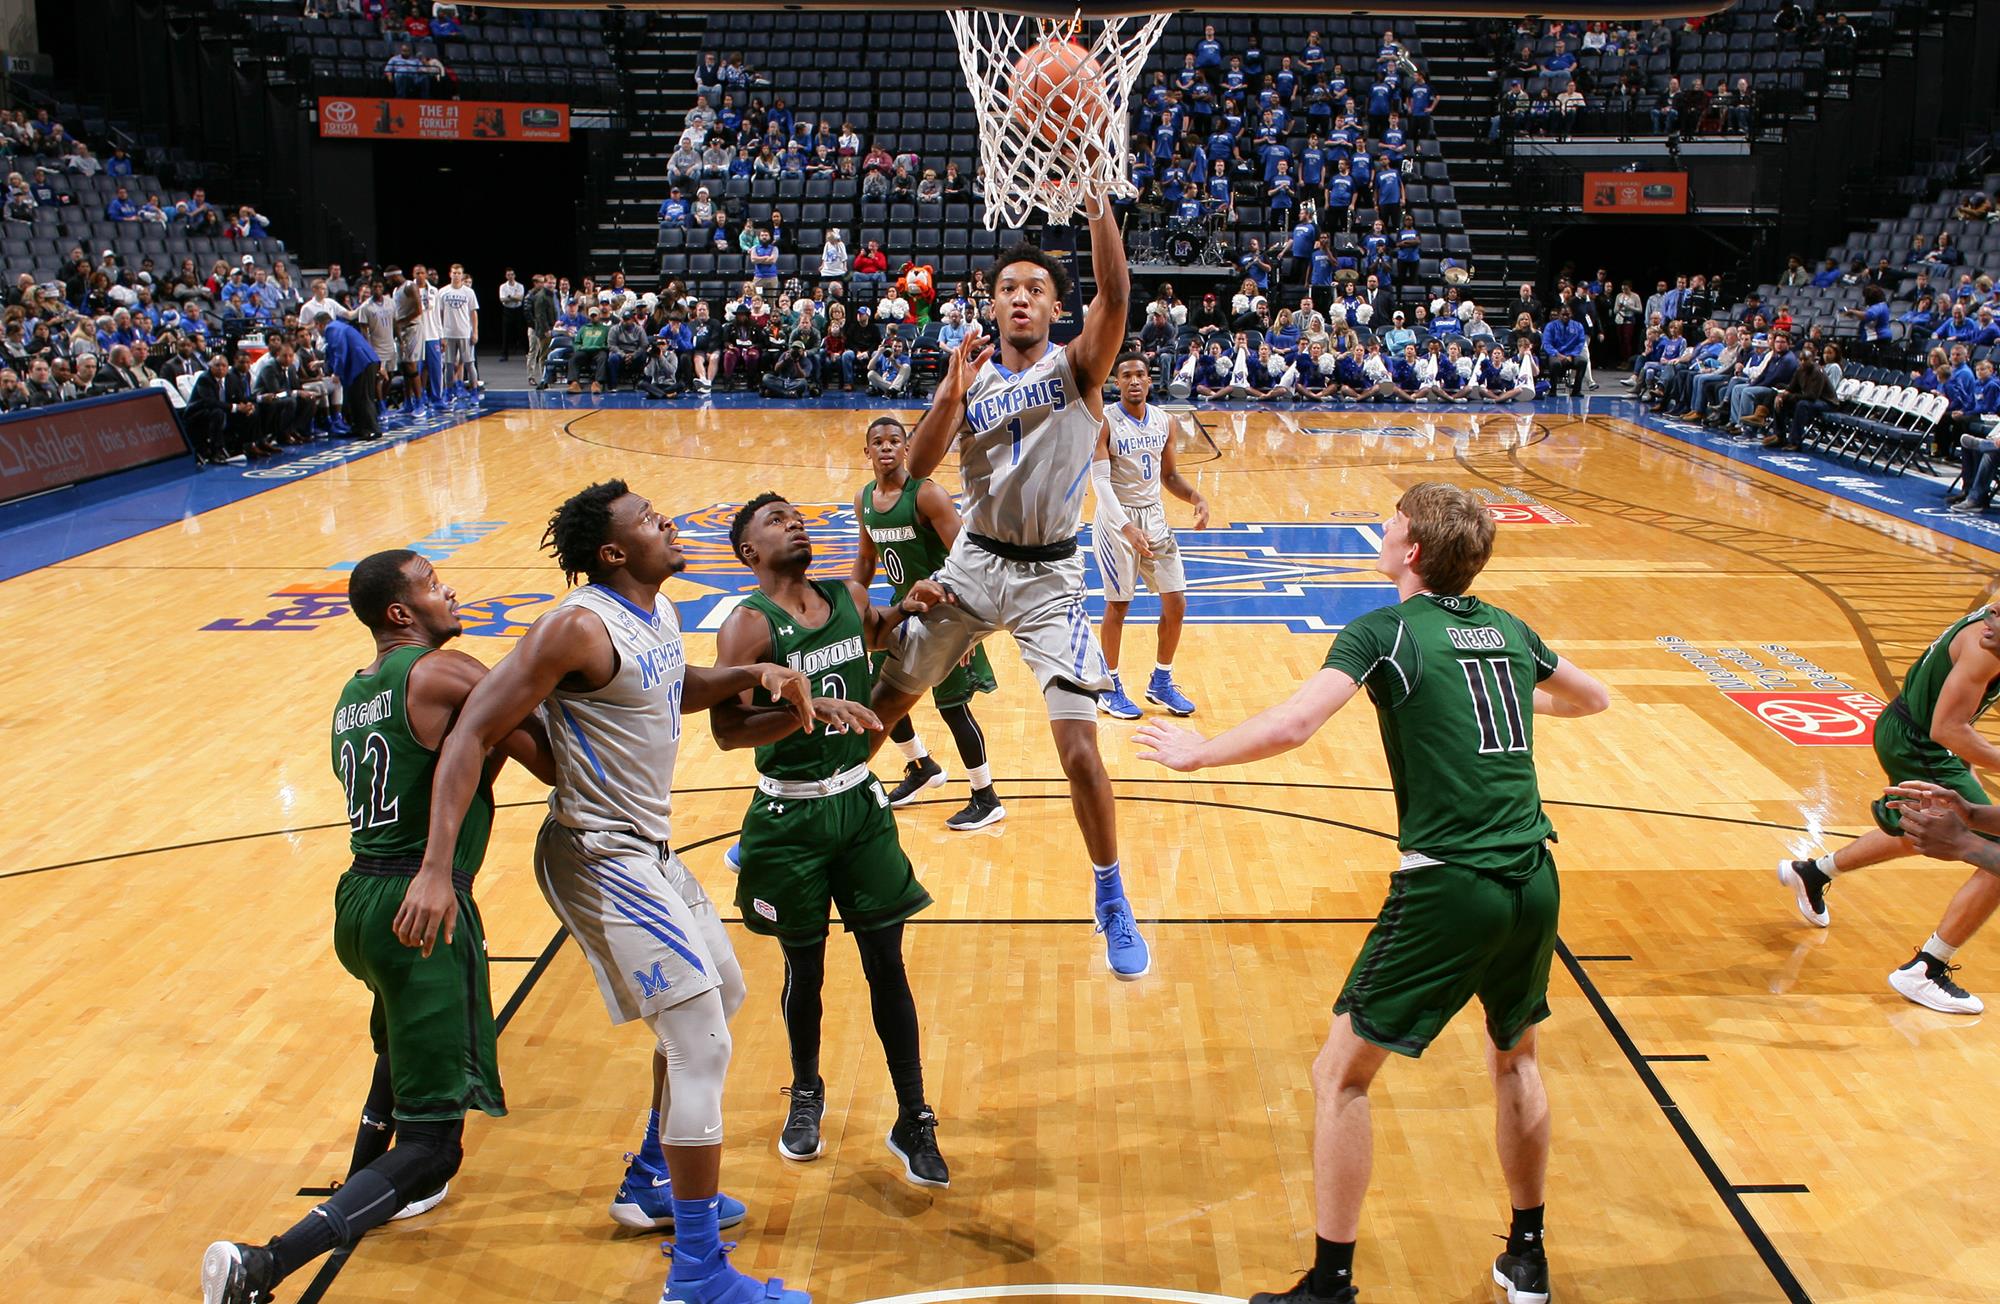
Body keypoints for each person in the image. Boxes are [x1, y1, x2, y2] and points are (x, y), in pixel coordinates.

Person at [1134, 482, 1609, 1304]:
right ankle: (1526, 1255)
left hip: (1450, 883)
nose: (1381, 530)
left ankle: (1330, 1284)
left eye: (1391, 521)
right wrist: (1498, 697)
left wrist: (1198, 752)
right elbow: (1591, 697)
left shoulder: (1383, 632)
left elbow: (1292, 725)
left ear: (1412, 551)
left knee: (1340, 1076)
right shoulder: (1506, 627)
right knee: (1516, 1056)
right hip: (1536, 876)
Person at [408, 481, 816, 1304]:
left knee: (723, 994)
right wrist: (434, 866)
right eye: (647, 518)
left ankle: (652, 1181)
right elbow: (476, 731)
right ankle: (698, 1274)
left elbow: (673, 683)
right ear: (613, 552)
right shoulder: (575, 627)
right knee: (700, 1041)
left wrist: (751, 671)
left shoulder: (657, 616)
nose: (668, 519)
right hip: (596, 854)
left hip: (647, 848)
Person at [198, 551, 555, 1304]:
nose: (449, 588)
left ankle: (362, 1183)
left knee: (396, 1049)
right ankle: (263, 1266)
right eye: (431, 582)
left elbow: (440, 765)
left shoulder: (353, 692)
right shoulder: (444, 671)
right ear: (401, 612)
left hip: (358, 900)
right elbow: (550, 760)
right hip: (420, 903)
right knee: (432, 1147)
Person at [867, 191, 1151, 979]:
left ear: (1058, 308)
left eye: (1036, 288)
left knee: (1079, 752)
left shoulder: (1079, 365)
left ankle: (1111, 894)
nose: (1021, 296)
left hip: (1051, 575)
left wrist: (1097, 204)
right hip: (973, 566)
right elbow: (919, 467)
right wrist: (949, 394)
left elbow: (1118, 297)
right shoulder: (972, 379)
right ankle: (806, 806)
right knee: (888, 699)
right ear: (990, 304)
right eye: (1008, 288)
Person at [712, 493, 952, 1184]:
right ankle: (807, 1091)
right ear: (749, 552)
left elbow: (875, 628)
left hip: (859, 808)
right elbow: (728, 731)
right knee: (805, 971)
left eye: (797, 514)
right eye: (774, 520)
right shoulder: (749, 628)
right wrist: (804, 714)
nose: (795, 521)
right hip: (790, 820)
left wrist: (910, 607)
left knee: (889, 965)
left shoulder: (845, 593)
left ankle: (913, 1116)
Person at [1778, 603, 2000, 1015]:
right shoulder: (1985, 646)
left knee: (1919, 832)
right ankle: (1927, 969)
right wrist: (1969, 825)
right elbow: (1947, 728)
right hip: (1922, 742)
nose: (1993, 611)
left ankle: (1812, 873)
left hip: (1913, 732)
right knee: (1985, 854)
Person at [852, 416, 1005, 830]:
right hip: (901, 613)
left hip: (947, 616)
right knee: (880, 692)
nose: (886, 448)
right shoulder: (864, 498)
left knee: (953, 707)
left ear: (907, 448)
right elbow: (867, 559)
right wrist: (852, 605)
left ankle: (985, 795)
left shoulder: (927, 495)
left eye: (894, 441)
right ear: (866, 452)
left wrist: (968, 627)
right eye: (877, 442)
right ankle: (921, 765)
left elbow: (967, 560)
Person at [1092, 352, 1211, 721]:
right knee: (1119, 606)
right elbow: (1099, 480)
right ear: (1116, 382)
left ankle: (1161, 680)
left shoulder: (1165, 421)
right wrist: (1125, 527)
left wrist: (1196, 497)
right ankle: (1107, 687)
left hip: (1155, 518)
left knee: (1176, 602)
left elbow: (1169, 476)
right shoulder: (1105, 422)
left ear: (1149, 379)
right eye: (1126, 375)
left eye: (1140, 374)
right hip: (1116, 521)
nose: (1134, 381)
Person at [315, 309, 380, 438]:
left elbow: (340, 350)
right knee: (355, 397)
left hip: (361, 363)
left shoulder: (331, 329)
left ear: (320, 324)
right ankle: (359, 427)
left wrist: (337, 373)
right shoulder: (339, 326)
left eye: (316, 326)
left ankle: (372, 429)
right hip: (363, 362)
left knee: (363, 397)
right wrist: (323, 363)